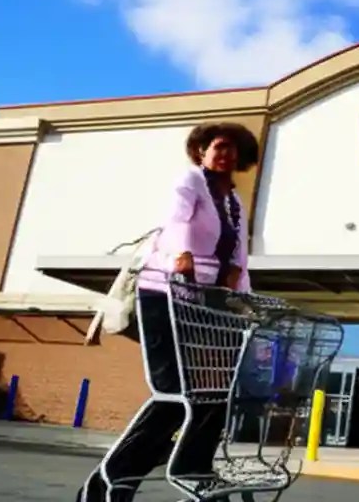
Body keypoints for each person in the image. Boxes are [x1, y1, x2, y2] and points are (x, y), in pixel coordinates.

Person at [78, 121, 260, 502]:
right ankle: (108, 483)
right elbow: (176, 220)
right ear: (201, 151)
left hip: (205, 302)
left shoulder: (234, 202)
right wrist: (182, 256)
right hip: (166, 292)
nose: (225, 154)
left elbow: (238, 257)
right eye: (218, 146)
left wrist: (246, 299)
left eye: (233, 149)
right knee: (173, 394)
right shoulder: (190, 181)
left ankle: (195, 468)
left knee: (212, 394)